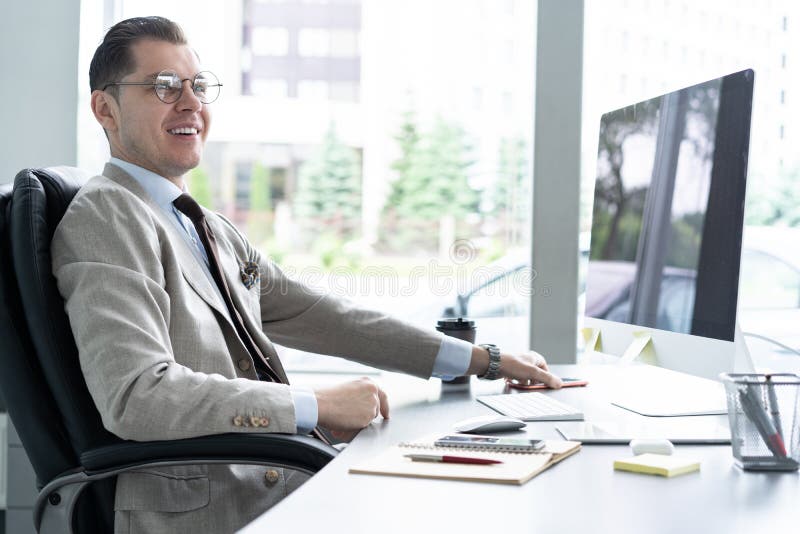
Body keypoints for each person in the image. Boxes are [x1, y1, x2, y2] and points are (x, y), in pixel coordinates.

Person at [51, 16, 562, 533]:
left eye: (198, 86)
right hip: (213, 510)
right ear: (105, 109)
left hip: (268, 480)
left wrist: (481, 360)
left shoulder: (203, 225)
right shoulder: (108, 215)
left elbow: (323, 316)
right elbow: (137, 396)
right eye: (164, 87)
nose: (191, 104)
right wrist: (314, 406)